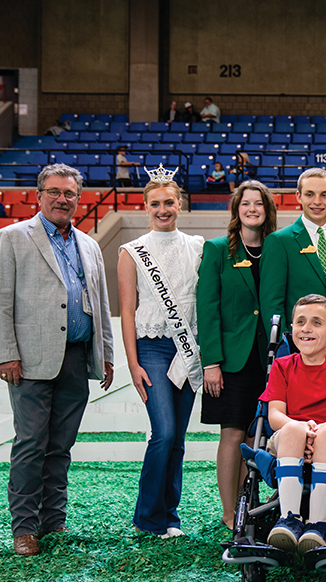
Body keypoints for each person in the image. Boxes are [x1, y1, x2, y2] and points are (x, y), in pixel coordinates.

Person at [0, 163, 114, 556]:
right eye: (54, 192)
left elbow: (101, 305)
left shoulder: (88, 244)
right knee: (30, 444)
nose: (62, 199)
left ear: (78, 198)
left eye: (69, 193)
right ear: (39, 195)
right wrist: (6, 354)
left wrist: (105, 353)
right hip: (30, 360)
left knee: (61, 446)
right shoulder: (11, 238)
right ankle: (24, 527)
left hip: (76, 358)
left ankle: (53, 520)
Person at [117, 174, 204, 538]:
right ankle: (148, 517)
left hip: (188, 347)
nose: (163, 209)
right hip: (151, 346)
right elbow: (126, 310)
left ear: (179, 205)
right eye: (156, 204)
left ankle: (170, 515)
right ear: (146, 207)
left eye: (169, 202)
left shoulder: (198, 246)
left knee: (179, 439)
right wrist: (133, 363)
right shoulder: (131, 251)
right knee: (163, 432)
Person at [198, 180, 278, 530]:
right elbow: (207, 308)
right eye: (245, 204)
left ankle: (251, 509)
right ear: (236, 210)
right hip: (231, 360)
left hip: (269, 359)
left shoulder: (276, 248)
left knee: (255, 437)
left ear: (267, 210)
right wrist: (211, 362)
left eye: (258, 204)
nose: (251, 209)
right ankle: (230, 514)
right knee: (232, 435)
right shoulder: (217, 250)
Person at [264, 294, 326, 554]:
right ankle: (290, 519)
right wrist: (304, 430)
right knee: (292, 427)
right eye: (300, 322)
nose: (306, 328)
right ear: (292, 329)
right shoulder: (283, 366)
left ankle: (318, 524)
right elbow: (274, 415)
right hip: (290, 437)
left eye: (317, 323)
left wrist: (318, 431)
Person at [260, 168, 326, 350]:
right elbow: (272, 302)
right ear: (298, 196)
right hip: (298, 346)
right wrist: (284, 345)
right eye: (310, 194)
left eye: (324, 195)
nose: (317, 201)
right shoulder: (279, 241)